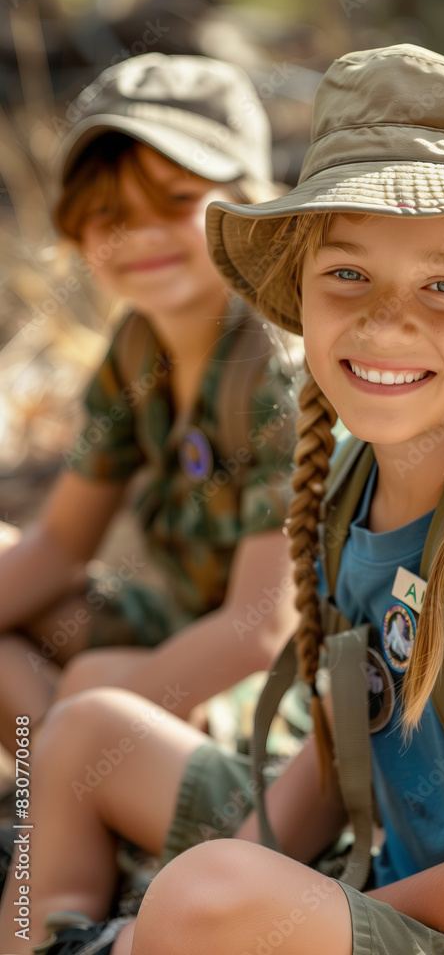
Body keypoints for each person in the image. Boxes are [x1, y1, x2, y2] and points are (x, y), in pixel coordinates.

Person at [1, 44, 444, 955]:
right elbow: (341, 745)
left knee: (208, 894)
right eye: (347, 274)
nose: (385, 320)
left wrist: (225, 906)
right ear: (299, 299)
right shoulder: (352, 481)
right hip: (391, 867)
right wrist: (229, 881)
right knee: (81, 735)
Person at [0, 53, 298, 750]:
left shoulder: (278, 371)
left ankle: (70, 781)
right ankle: (62, 785)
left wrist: (91, 717)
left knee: (90, 681)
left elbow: (260, 633)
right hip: (184, 634)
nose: (140, 234)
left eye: (174, 201)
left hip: (289, 695)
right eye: (108, 214)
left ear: (249, 203)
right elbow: (58, 547)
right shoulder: (137, 350)